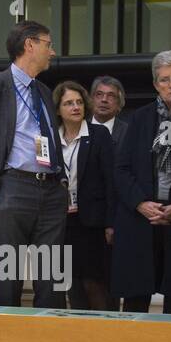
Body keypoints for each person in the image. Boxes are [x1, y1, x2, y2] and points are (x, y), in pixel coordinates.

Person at [0, 21, 67, 308]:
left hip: (51, 189)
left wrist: (63, 181)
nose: (52, 51)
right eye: (48, 43)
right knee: (9, 276)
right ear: (29, 45)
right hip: (12, 188)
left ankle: (49, 341)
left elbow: (50, 140)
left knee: (53, 276)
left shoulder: (44, 91)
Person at [112, 50, 171, 313]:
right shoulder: (139, 118)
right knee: (136, 298)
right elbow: (120, 169)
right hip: (141, 218)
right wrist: (140, 203)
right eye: (164, 80)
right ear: (156, 84)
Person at [53, 80, 114, 309]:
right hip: (60, 221)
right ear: (58, 109)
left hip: (91, 222)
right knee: (72, 282)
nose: (75, 107)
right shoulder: (49, 139)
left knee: (94, 282)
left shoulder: (99, 134)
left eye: (79, 102)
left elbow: (111, 181)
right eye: (68, 103)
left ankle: (105, 332)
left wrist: (111, 223)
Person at [89, 75, 129, 147]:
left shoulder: (129, 133)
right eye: (99, 94)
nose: (104, 99)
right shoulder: (78, 127)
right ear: (91, 99)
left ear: (119, 102)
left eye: (111, 95)